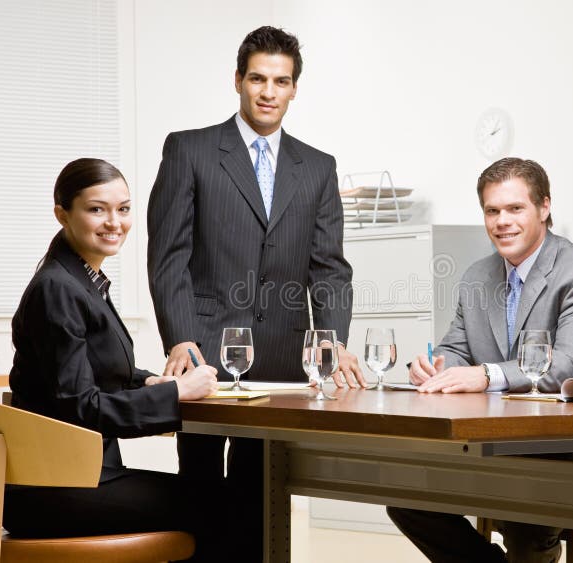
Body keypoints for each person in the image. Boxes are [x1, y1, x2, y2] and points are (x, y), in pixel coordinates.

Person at [146, 25, 362, 558]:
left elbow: (330, 270)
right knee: (199, 495)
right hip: (202, 354)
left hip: (282, 359)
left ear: (294, 89)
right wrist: (181, 340)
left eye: (281, 81)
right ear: (238, 81)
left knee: (258, 499)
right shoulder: (189, 150)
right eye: (258, 79)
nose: (269, 92)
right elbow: (167, 257)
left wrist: (329, 342)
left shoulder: (317, 168)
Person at [2, 158, 239, 561]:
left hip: (76, 480)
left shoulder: (80, 279)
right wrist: (178, 391)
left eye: (123, 209)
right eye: (97, 209)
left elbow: (97, 374)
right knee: (231, 505)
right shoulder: (59, 289)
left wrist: (148, 382)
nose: (115, 222)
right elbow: (80, 406)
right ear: (62, 213)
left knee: (217, 495)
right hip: (59, 490)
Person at [387, 157, 573, 563]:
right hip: (490, 444)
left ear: (544, 207)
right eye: (492, 211)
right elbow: (456, 347)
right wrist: (434, 366)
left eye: (515, 209)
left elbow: (565, 368)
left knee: (526, 528)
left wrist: (485, 375)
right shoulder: (478, 274)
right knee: (407, 493)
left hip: (560, 451)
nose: (502, 222)